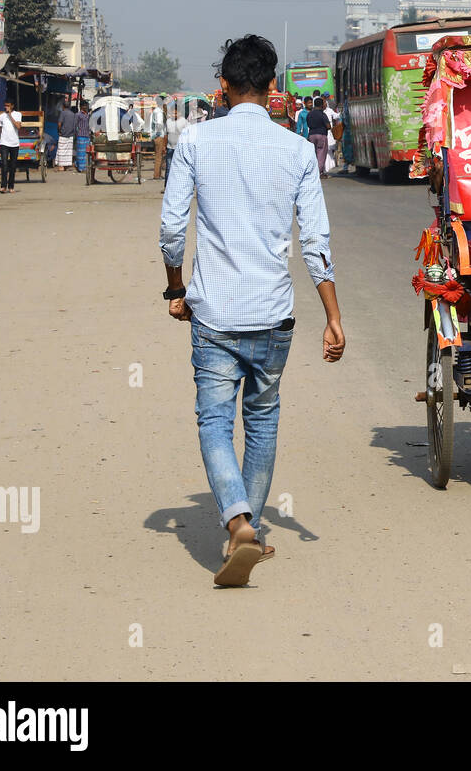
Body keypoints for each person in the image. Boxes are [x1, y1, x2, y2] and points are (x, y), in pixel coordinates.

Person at [159, 34, 346, 588]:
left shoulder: (194, 141)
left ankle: (237, 521)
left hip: (213, 312)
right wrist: (333, 316)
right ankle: (253, 529)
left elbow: (172, 229)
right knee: (261, 422)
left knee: (215, 420)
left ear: (222, 86)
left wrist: (175, 287)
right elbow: (315, 241)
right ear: (272, 88)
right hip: (273, 315)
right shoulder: (294, 149)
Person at [0, 98, 23, 193]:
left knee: (13, 165)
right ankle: (3, 186)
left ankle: (11, 186)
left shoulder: (18, 114)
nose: (6, 107)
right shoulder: (2, 116)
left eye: (8, 105)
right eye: (5, 105)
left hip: (14, 143)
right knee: (4, 164)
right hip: (4, 143)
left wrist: (10, 115)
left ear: (12, 106)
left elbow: (18, 126)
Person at [307, 95, 331, 178]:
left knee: (313, 155)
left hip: (311, 135)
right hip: (321, 135)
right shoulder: (322, 114)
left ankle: (312, 172)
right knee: (321, 154)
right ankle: (319, 172)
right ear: (321, 105)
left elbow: (308, 124)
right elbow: (328, 126)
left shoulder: (309, 114)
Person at [56, 100, 80, 172]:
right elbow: (75, 125)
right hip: (70, 135)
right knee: (68, 152)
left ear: (63, 106)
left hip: (63, 135)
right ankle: (66, 166)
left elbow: (59, 124)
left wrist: (59, 131)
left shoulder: (63, 113)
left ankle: (61, 166)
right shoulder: (73, 114)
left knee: (61, 150)